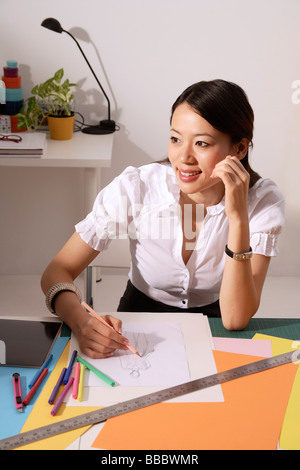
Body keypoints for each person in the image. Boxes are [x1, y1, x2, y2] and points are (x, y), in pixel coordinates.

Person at [41, 79, 285, 359]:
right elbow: (56, 272)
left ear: (239, 149)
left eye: (202, 143)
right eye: (175, 139)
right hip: (138, 321)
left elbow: (235, 319)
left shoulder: (263, 201)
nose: (183, 158)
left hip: (217, 324)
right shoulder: (138, 187)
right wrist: (81, 322)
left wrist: (238, 218)